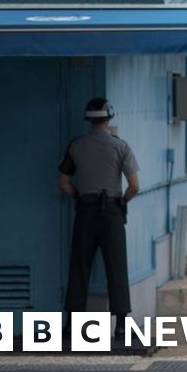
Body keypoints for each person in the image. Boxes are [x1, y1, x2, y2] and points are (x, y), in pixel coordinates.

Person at [58, 98, 140, 340]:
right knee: (116, 266)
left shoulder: (76, 145)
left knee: (79, 266)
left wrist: (79, 197)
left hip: (85, 209)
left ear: (89, 119)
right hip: (111, 211)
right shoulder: (120, 146)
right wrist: (121, 202)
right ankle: (122, 325)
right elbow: (134, 186)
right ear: (109, 117)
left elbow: (63, 183)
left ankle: (71, 324)